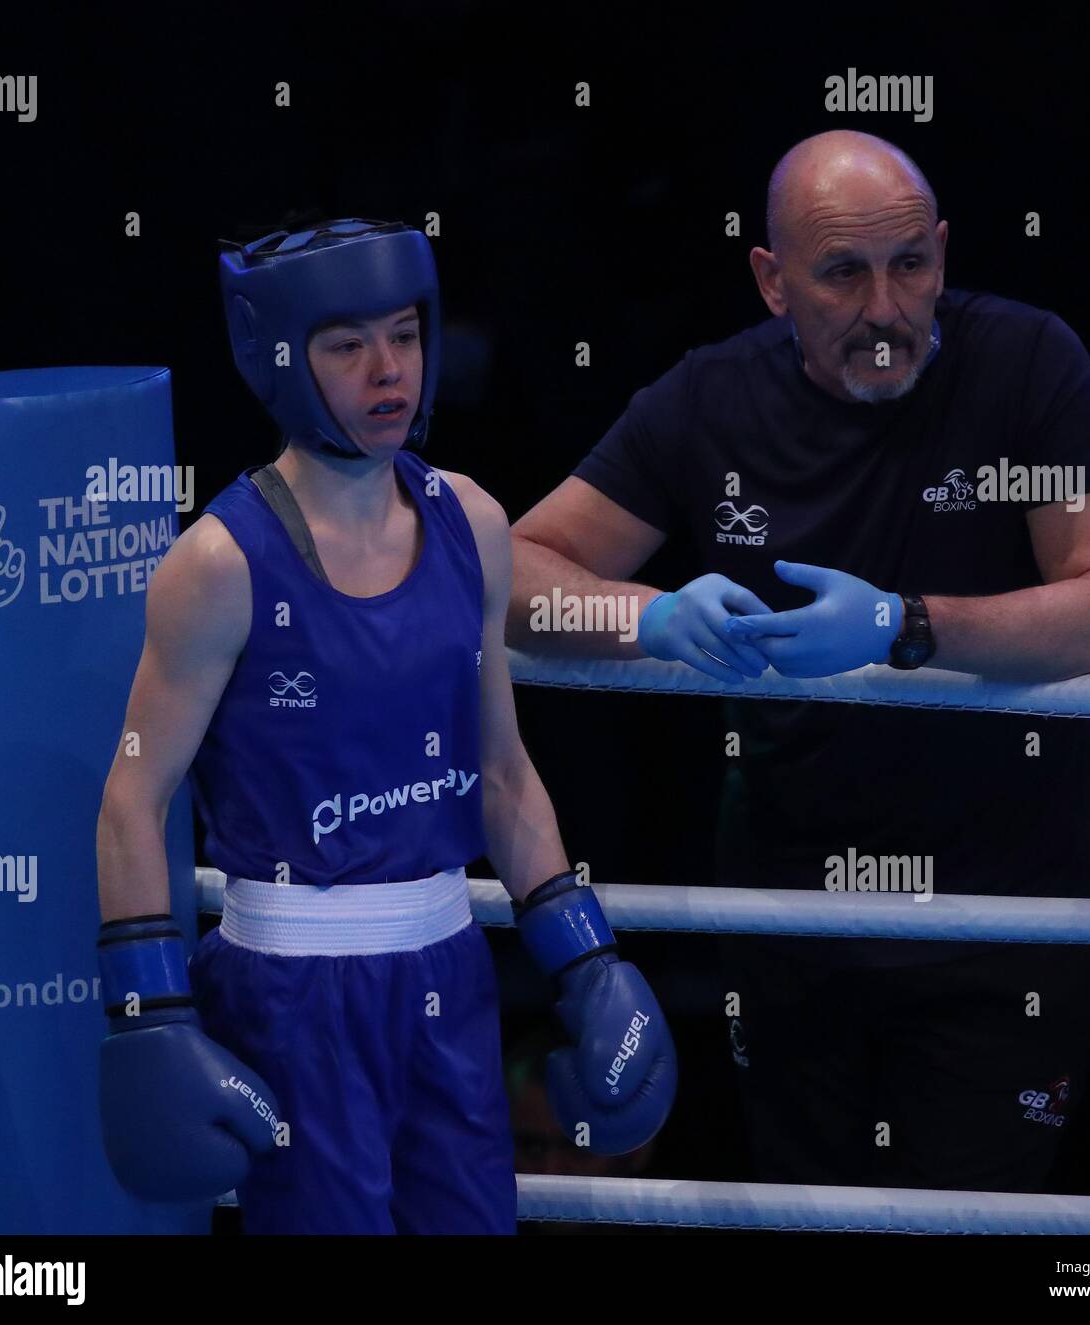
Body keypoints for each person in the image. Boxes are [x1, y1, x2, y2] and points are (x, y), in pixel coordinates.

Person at [508, 132, 1090, 1192]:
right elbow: (511, 569)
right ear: (772, 280)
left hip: (997, 925)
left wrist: (907, 625)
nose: (886, 307)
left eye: (910, 264)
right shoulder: (710, 397)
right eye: (844, 273)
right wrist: (650, 614)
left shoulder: (1027, 363)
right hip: (788, 919)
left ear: (943, 254)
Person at [94, 217, 676, 1234]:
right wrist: (148, 1011)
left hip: (450, 966)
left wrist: (588, 959)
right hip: (293, 989)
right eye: (346, 344)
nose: (387, 370)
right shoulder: (220, 564)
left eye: (404, 335)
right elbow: (133, 796)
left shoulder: (475, 523)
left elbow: (501, 772)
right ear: (280, 358)